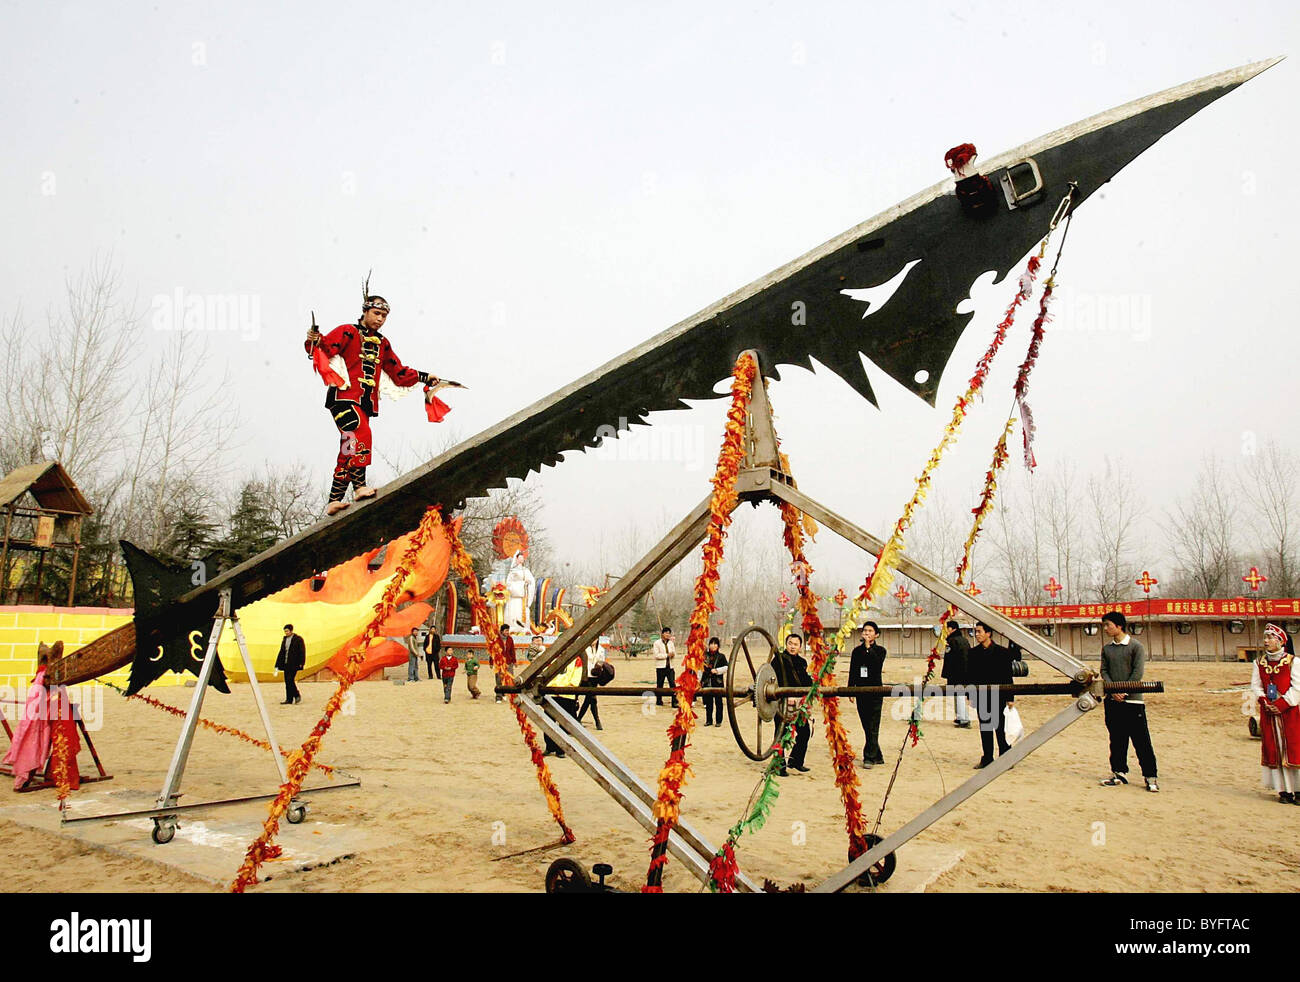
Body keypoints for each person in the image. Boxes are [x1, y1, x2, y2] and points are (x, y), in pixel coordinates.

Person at [305, 287, 445, 516]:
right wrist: (314, 339)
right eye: (376, 314)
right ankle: (359, 487)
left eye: (384, 316)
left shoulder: (383, 343)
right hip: (343, 398)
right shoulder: (347, 331)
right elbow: (326, 347)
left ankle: (333, 501)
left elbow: (398, 372)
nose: (380, 319)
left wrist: (424, 376)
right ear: (365, 312)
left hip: (366, 403)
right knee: (361, 434)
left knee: (348, 448)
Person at [1098, 610, 1158, 792]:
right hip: (1112, 701)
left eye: (1108, 625)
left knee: (1141, 740)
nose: (1106, 629)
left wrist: (1124, 691)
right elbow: (1104, 671)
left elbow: (1137, 672)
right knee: (1116, 739)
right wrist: (1113, 690)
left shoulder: (1136, 647)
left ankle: (1150, 777)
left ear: (1119, 626)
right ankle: (1119, 773)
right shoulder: (1107, 649)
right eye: (1104, 625)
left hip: (1133, 702)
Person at [1252, 623, 1299, 803]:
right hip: (1269, 714)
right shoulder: (1259, 663)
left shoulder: (1293, 662)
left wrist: (1281, 704)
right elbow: (1256, 686)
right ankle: (1283, 791)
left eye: (1271, 637)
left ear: (1281, 641)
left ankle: (1298, 790)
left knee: (1293, 749)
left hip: (1290, 713)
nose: (1266, 641)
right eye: (1265, 637)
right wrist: (1264, 701)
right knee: (1275, 750)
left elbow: (1297, 687)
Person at [969, 621, 1015, 769]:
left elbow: (1008, 677)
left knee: (999, 726)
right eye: (975, 632)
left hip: (998, 695)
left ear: (988, 633)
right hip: (981, 696)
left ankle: (1005, 755)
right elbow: (971, 676)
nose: (977, 635)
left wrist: (1010, 697)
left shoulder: (1002, 652)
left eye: (979, 632)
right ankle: (987, 757)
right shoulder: (973, 653)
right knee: (985, 727)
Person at [772, 632, 813, 776]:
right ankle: (779, 766)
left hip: (799, 702)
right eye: (790, 643)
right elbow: (773, 680)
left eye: (796, 644)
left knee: (804, 732)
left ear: (800, 647)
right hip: (782, 701)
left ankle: (796, 761)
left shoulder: (802, 662)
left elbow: (805, 681)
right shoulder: (779, 660)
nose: (792, 647)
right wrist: (785, 694)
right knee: (781, 733)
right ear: (786, 644)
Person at [848, 622, 887, 766]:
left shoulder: (881, 651)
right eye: (865, 630)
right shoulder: (856, 651)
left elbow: (876, 664)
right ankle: (878, 755)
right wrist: (850, 689)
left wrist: (868, 647)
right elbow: (853, 670)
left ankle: (869, 757)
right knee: (866, 724)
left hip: (875, 691)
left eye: (870, 631)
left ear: (876, 635)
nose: (867, 633)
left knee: (873, 724)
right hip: (860, 691)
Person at [543, 656, 584, 758]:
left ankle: (561, 749)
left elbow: (576, 677)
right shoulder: (552, 657)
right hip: (551, 692)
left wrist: (566, 687)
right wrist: (552, 686)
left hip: (567, 693)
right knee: (548, 721)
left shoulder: (576, 659)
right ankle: (549, 746)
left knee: (564, 723)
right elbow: (546, 673)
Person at [941, 619, 971, 728]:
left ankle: (964, 719)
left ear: (953, 629)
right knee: (960, 695)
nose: (946, 630)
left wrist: (947, 674)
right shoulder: (964, 640)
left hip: (956, 672)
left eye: (947, 628)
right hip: (965, 671)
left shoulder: (951, 641)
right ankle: (960, 717)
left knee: (959, 695)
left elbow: (949, 659)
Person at [576, 640, 611, 730]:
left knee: (591, 699)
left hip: (595, 676)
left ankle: (581, 719)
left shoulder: (601, 649)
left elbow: (601, 661)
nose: (593, 641)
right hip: (584, 676)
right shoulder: (584, 648)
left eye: (595, 639)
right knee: (590, 699)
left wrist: (599, 666)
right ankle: (595, 721)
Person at [274, 624, 306, 704]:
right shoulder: (284, 640)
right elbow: (281, 652)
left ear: (291, 631)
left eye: (287, 631)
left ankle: (296, 694)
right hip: (286, 663)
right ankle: (289, 699)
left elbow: (302, 651)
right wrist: (277, 664)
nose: (286, 633)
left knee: (290, 680)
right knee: (287, 682)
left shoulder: (298, 639)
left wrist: (301, 662)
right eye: (285, 631)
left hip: (294, 664)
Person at [701, 637, 728, 727]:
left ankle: (718, 721)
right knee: (708, 702)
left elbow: (726, 667)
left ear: (718, 646)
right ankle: (709, 720)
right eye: (711, 644)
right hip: (707, 681)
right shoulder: (705, 656)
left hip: (717, 681)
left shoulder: (721, 656)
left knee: (718, 702)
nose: (713, 646)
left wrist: (717, 670)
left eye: (715, 644)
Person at [652, 627, 678, 708]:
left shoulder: (671, 643)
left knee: (673, 684)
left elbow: (674, 653)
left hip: (670, 667)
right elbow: (656, 655)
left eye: (669, 633)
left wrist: (673, 655)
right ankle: (659, 700)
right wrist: (667, 655)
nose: (667, 635)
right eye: (666, 633)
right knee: (660, 684)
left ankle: (674, 702)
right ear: (662, 634)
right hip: (661, 667)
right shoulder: (657, 643)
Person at [495, 626, 518, 703]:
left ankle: (506, 693)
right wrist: (491, 662)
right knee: (499, 679)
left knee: (509, 678)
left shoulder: (510, 639)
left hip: (509, 662)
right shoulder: (496, 639)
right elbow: (493, 650)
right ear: (501, 631)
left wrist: (514, 661)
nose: (507, 632)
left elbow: (512, 651)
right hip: (499, 663)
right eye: (506, 630)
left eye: (508, 630)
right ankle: (498, 696)